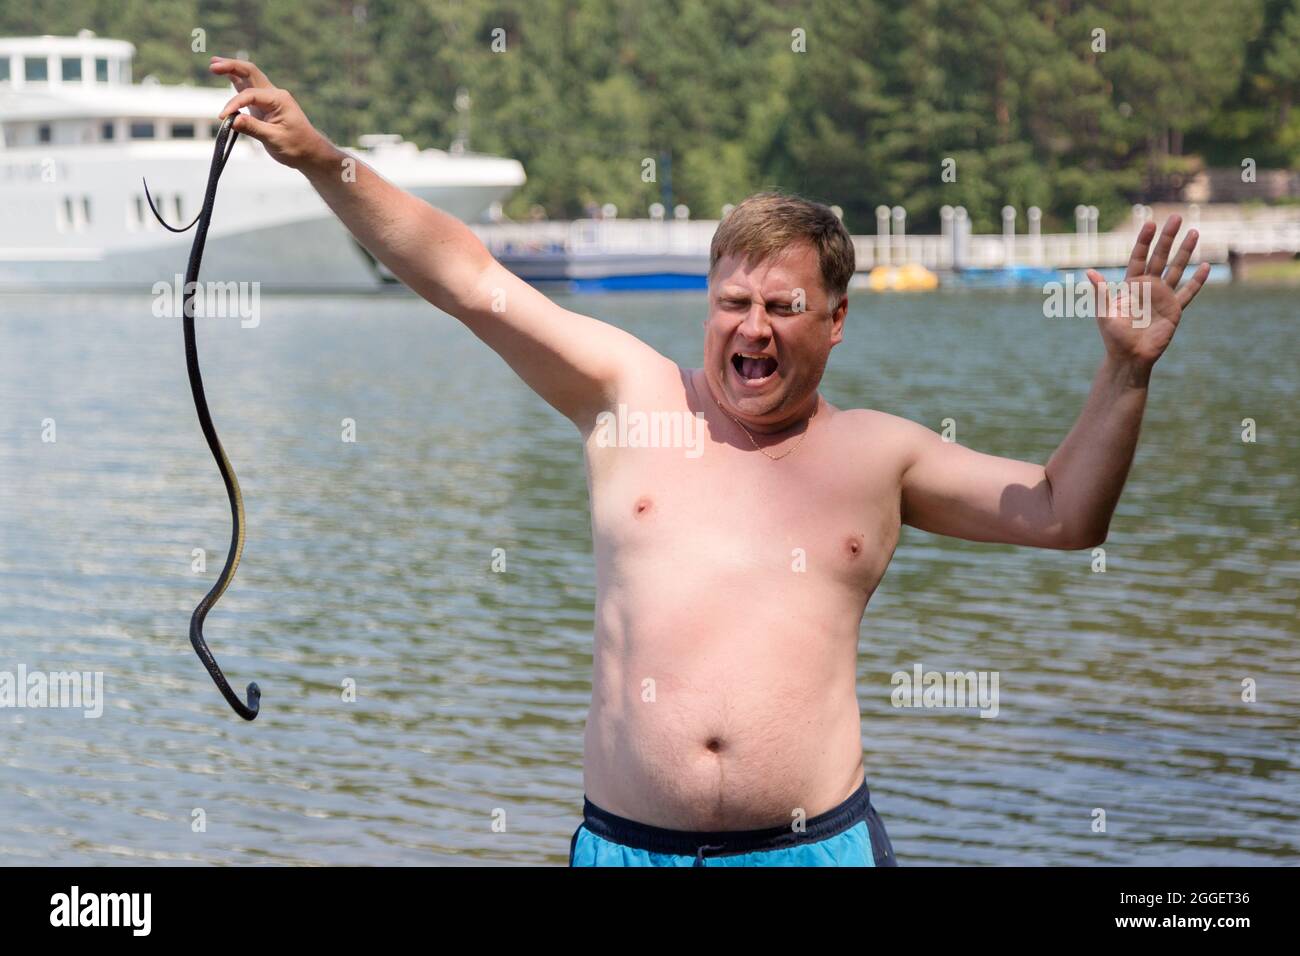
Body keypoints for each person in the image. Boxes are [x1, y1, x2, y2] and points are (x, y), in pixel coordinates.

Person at [210, 56, 1210, 867]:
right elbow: (469, 277)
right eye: (733, 302)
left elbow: (1061, 511)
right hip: (625, 847)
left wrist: (1124, 372)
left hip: (813, 849)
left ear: (835, 321)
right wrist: (317, 156)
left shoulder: (879, 454)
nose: (753, 328)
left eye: (782, 306)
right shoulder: (626, 398)